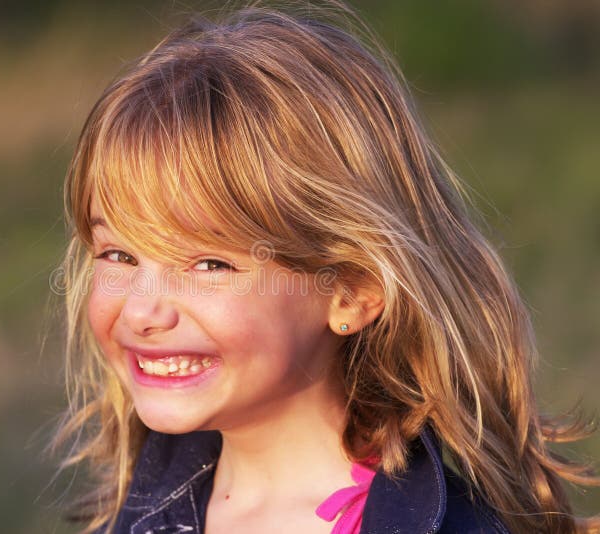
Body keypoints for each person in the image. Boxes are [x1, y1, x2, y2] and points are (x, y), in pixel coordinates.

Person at [51, 3, 599, 533]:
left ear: (353, 290)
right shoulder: (138, 515)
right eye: (119, 255)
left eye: (208, 263)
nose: (143, 310)